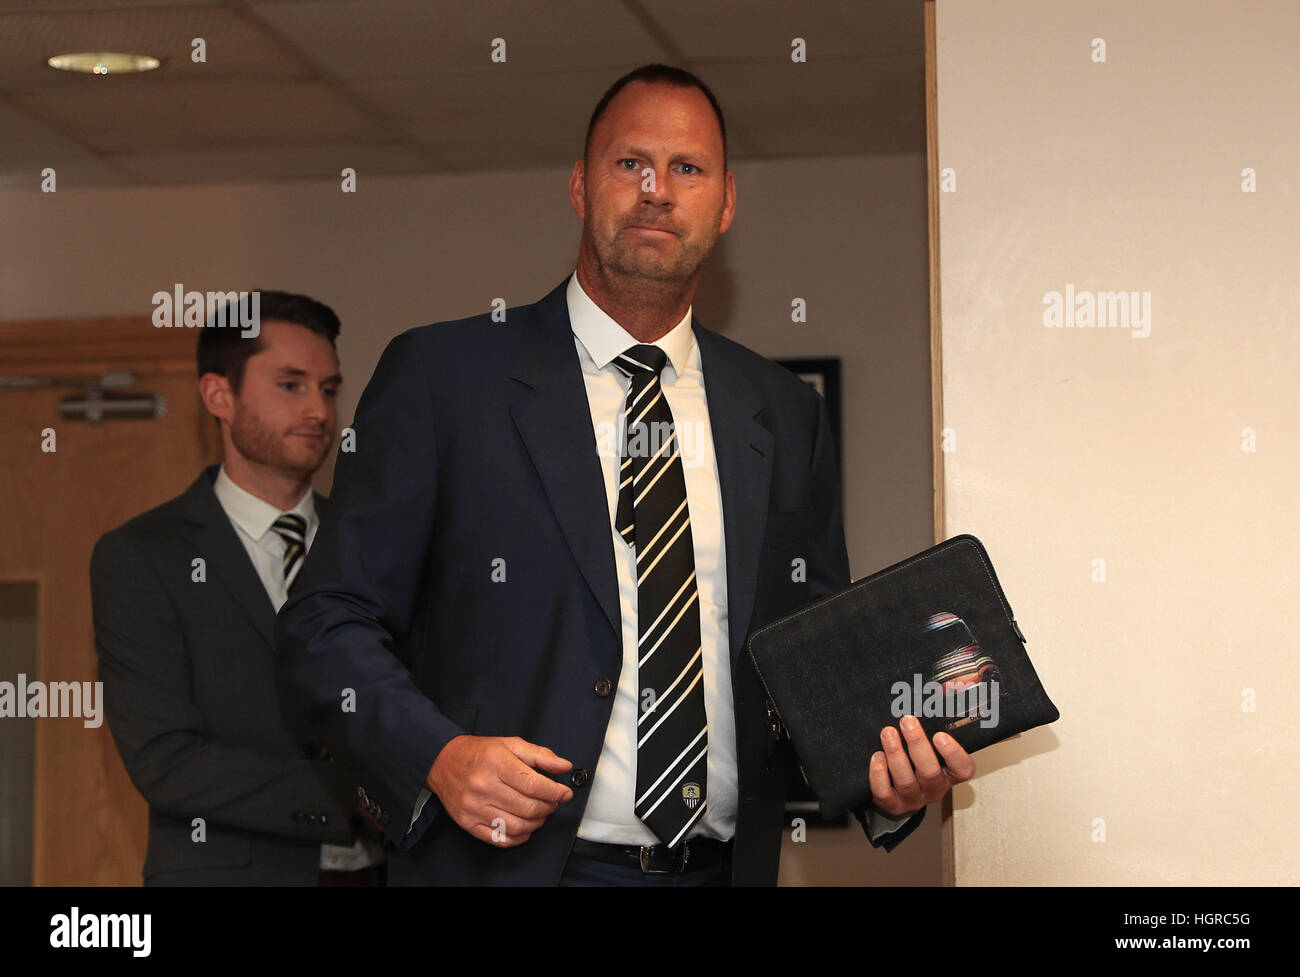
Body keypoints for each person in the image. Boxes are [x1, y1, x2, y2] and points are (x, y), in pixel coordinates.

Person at [278, 64, 974, 886]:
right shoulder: (445, 378)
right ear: (580, 186)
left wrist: (887, 780)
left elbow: (808, 666)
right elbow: (326, 622)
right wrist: (437, 753)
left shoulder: (782, 415)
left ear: (726, 204)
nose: (656, 189)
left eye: (688, 168)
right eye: (628, 163)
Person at [91, 291, 385, 884]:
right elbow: (165, 759)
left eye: (328, 389)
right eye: (290, 385)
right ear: (218, 395)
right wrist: (352, 800)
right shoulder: (143, 557)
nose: (319, 412)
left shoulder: (379, 544)